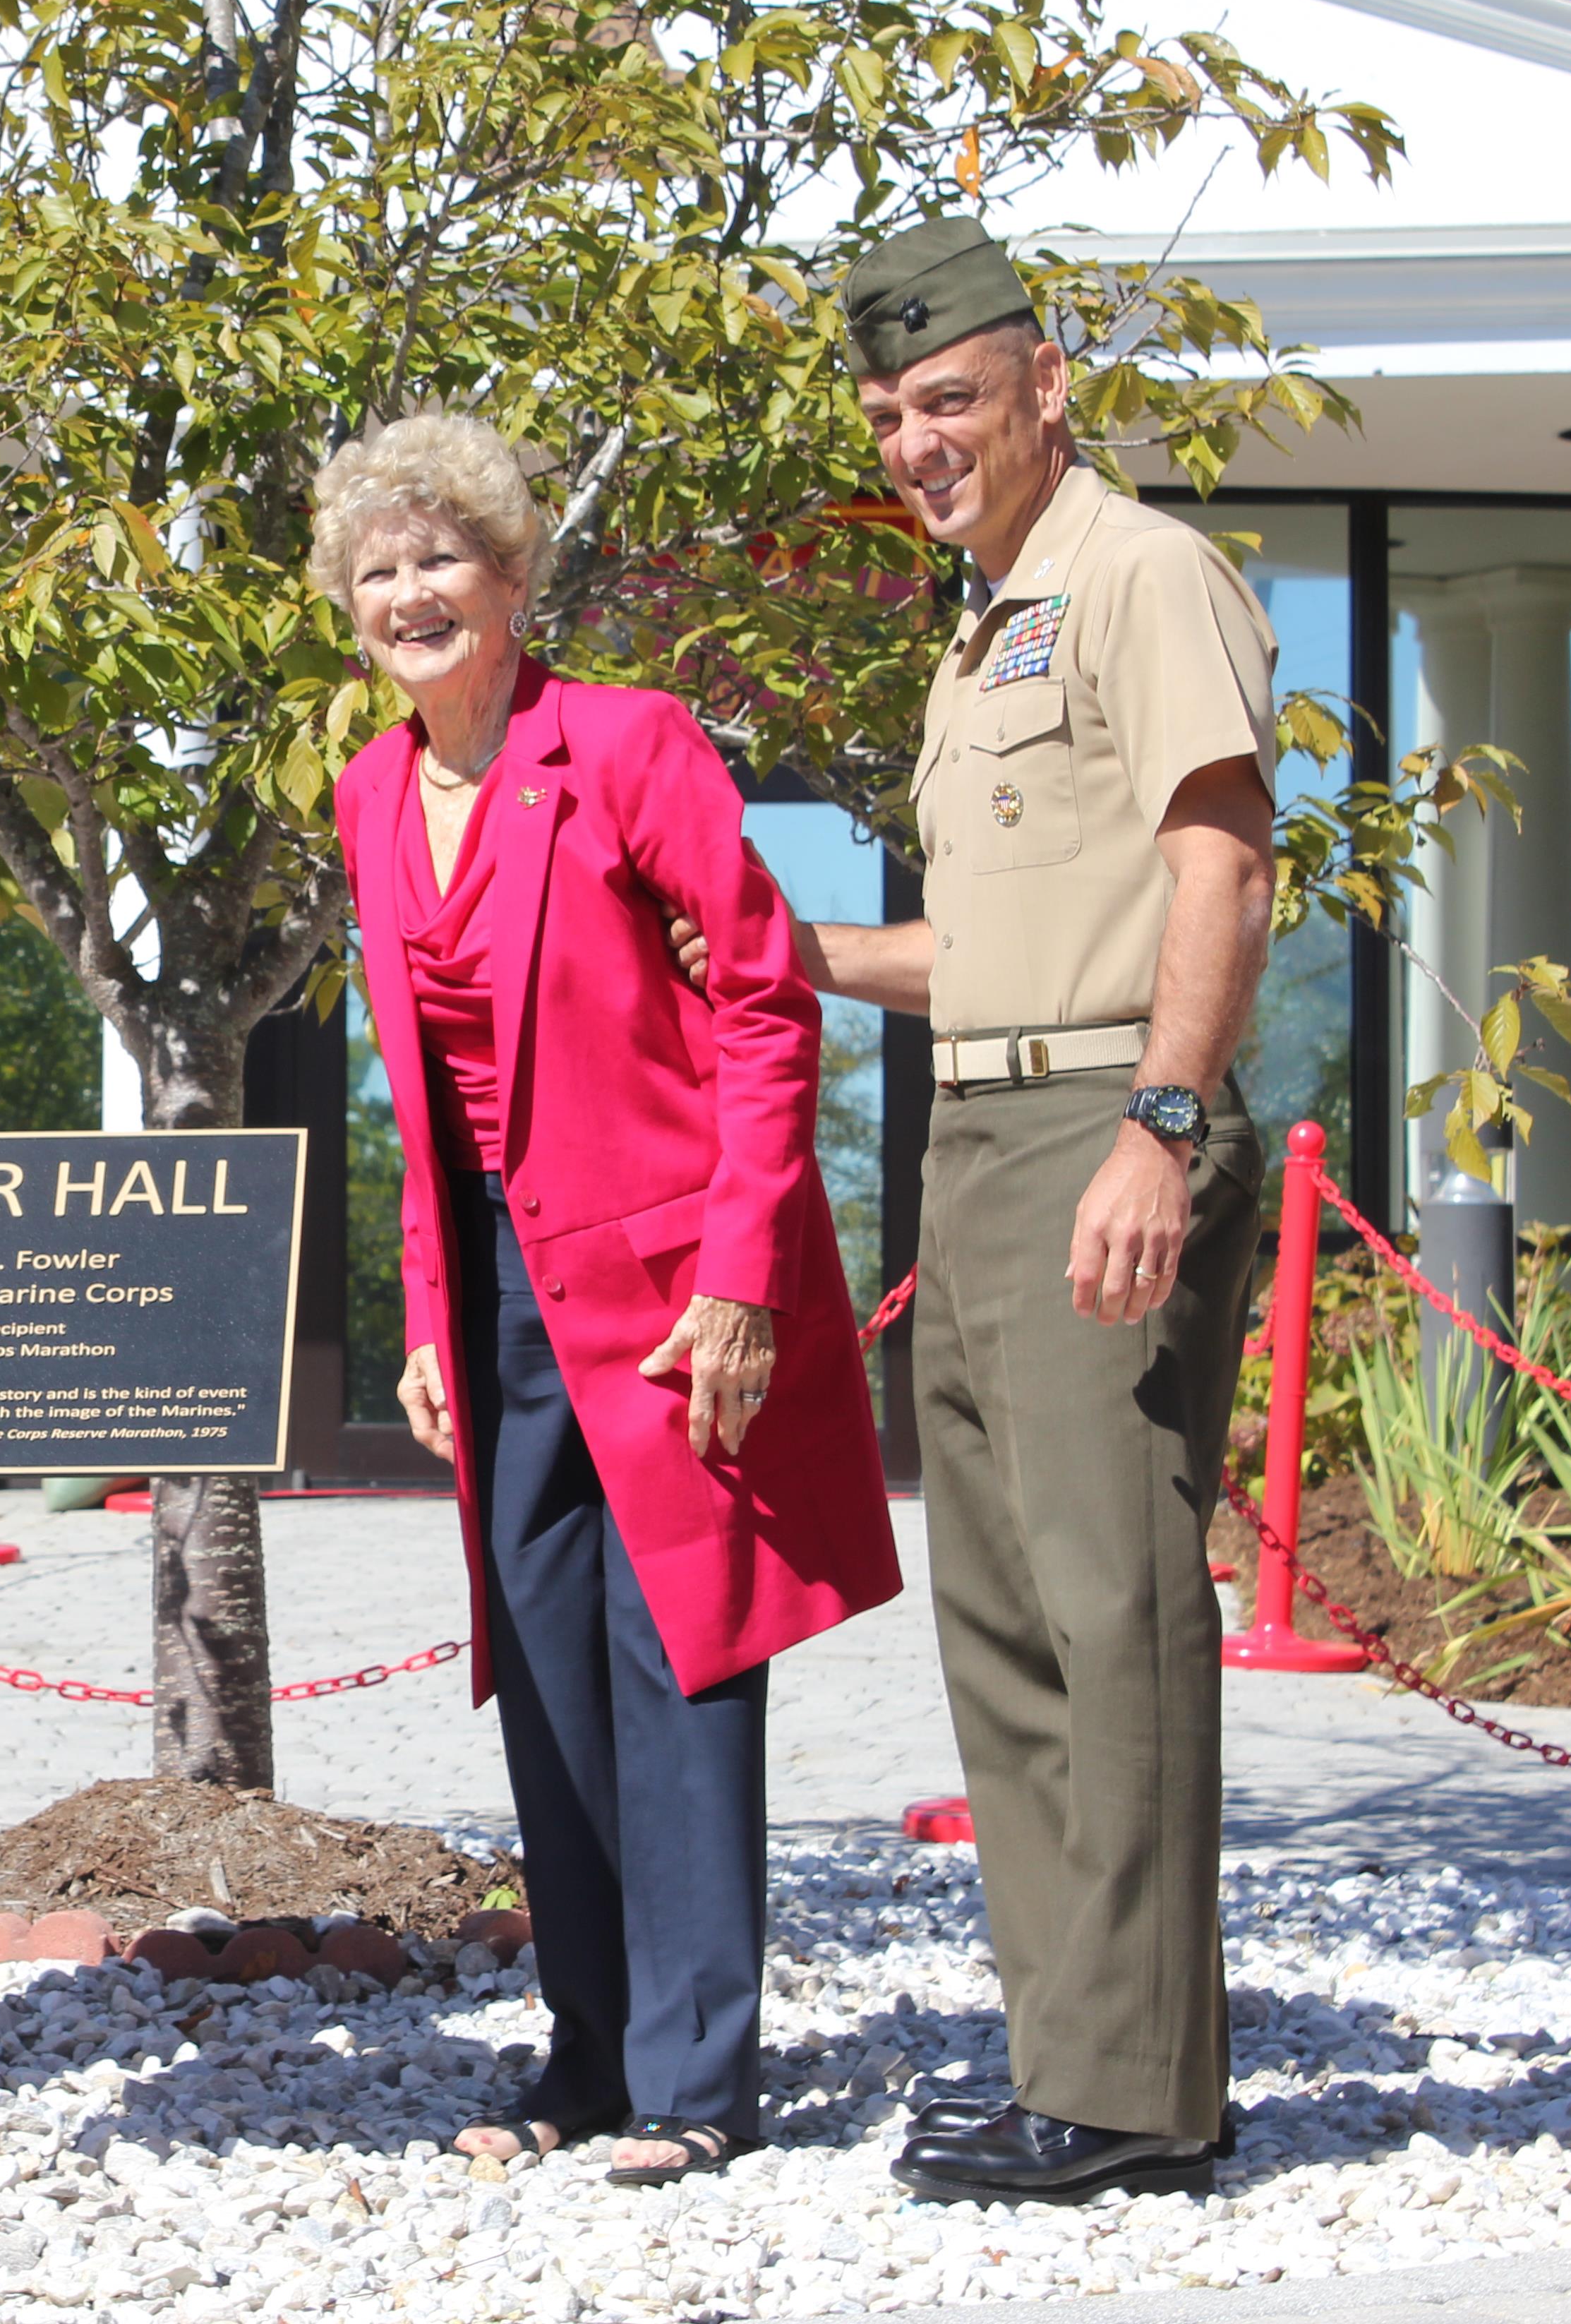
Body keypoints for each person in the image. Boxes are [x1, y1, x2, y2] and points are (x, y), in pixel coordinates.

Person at [321, 412, 900, 2185]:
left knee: (683, 1662)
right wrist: (429, 1313)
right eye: (378, 571)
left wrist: (744, 1278)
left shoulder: (631, 743)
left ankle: (698, 2082)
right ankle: (583, 2054)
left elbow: (765, 1006)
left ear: (512, 578)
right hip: (499, 1282)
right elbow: (422, 1091)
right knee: (551, 1677)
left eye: (442, 558)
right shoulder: (368, 791)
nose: (411, 594)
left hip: (665, 1285)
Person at [795, 215, 1278, 2206]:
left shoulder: (1137, 571)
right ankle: (1071, 2064)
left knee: (1113, 1607)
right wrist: (795, 953)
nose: (920, 443)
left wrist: (1159, 1127)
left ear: (1045, 385)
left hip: (1102, 1118)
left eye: (951, 399)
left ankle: (1141, 2094)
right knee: (1003, 1622)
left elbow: (1220, 859)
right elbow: (987, 951)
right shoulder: (984, 627)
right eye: (890, 416)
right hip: (980, 1134)